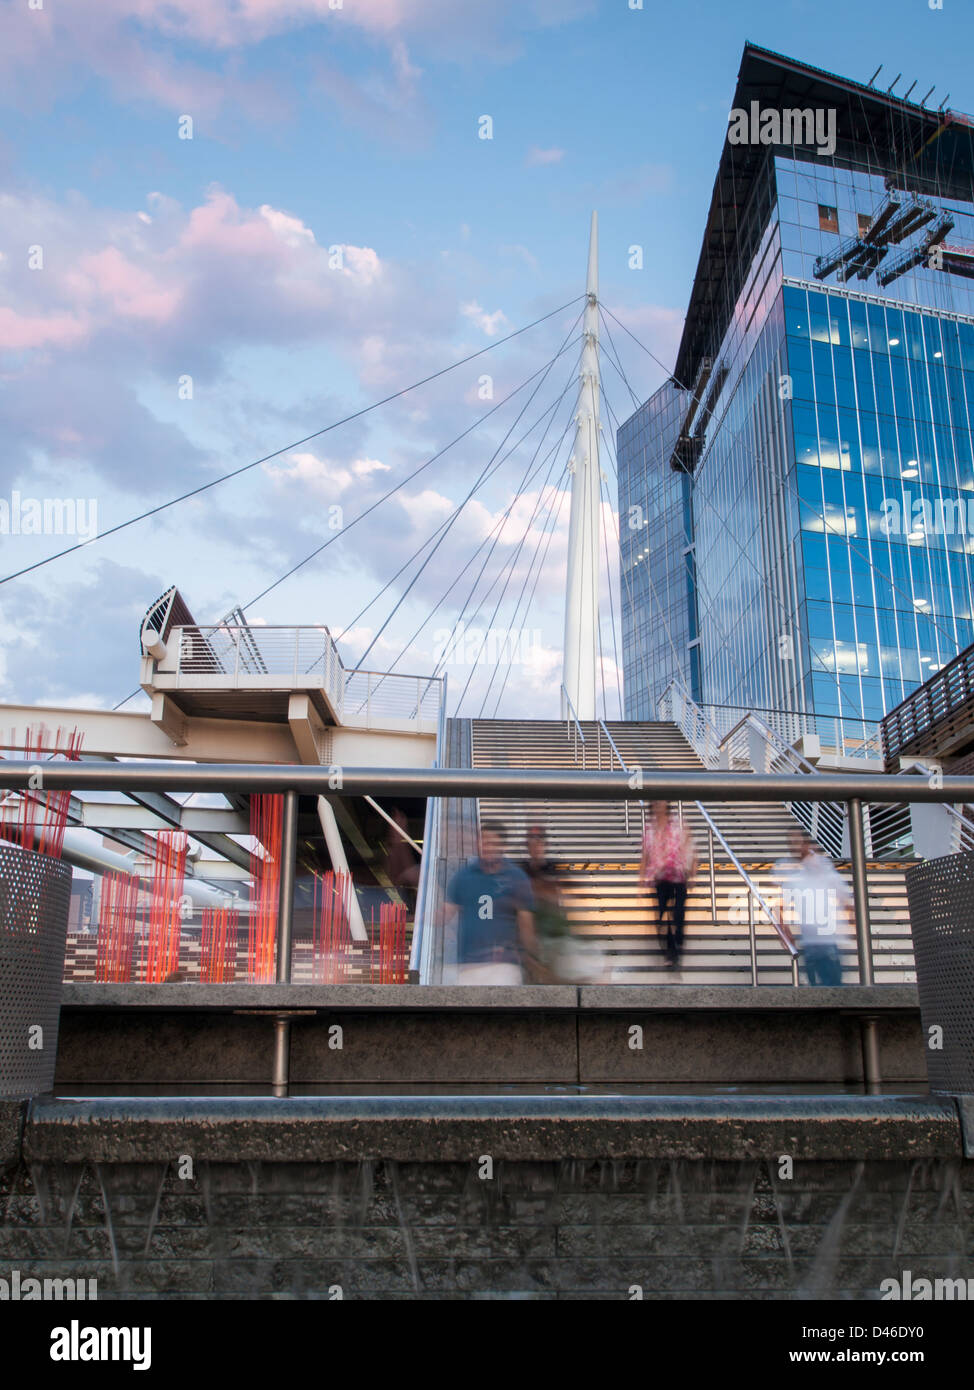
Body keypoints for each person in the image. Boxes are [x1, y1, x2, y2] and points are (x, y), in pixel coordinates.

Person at [444, 821, 537, 984]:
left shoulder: (516, 877)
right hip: (469, 963)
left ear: (502, 846)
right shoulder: (464, 876)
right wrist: (422, 918)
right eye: (483, 841)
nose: (487, 846)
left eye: (492, 842)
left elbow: (525, 923)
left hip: (503, 964)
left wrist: (530, 956)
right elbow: (446, 913)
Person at [772, 830, 852, 986]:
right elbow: (781, 903)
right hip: (809, 942)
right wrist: (784, 929)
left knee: (830, 987)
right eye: (790, 843)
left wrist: (851, 917)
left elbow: (842, 894)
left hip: (826, 940)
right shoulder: (794, 872)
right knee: (819, 989)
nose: (793, 847)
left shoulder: (820, 866)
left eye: (796, 842)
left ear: (806, 844)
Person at [640, 801, 697, 970]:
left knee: (678, 913)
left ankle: (676, 945)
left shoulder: (678, 825)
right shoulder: (649, 829)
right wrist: (640, 881)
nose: (659, 809)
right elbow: (645, 854)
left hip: (679, 875)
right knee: (662, 914)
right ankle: (670, 950)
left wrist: (693, 870)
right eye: (656, 806)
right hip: (660, 877)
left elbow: (690, 847)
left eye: (661, 806)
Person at [521, 826, 572, 983]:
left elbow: (563, 894)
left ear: (545, 845)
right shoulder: (522, 870)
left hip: (552, 931)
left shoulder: (554, 868)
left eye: (540, 843)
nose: (536, 847)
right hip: (531, 931)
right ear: (528, 847)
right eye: (532, 844)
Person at [384, 807, 420, 913]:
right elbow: (393, 880)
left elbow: (406, 876)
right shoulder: (388, 853)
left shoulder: (418, 871)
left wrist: (398, 839)